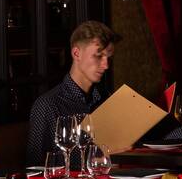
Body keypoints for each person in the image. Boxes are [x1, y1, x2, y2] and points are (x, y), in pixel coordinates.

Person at [25, 21, 120, 167]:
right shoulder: (47, 105)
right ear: (76, 53)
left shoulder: (106, 97)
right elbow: (34, 166)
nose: (106, 65)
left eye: (109, 58)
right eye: (98, 56)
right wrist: (94, 160)